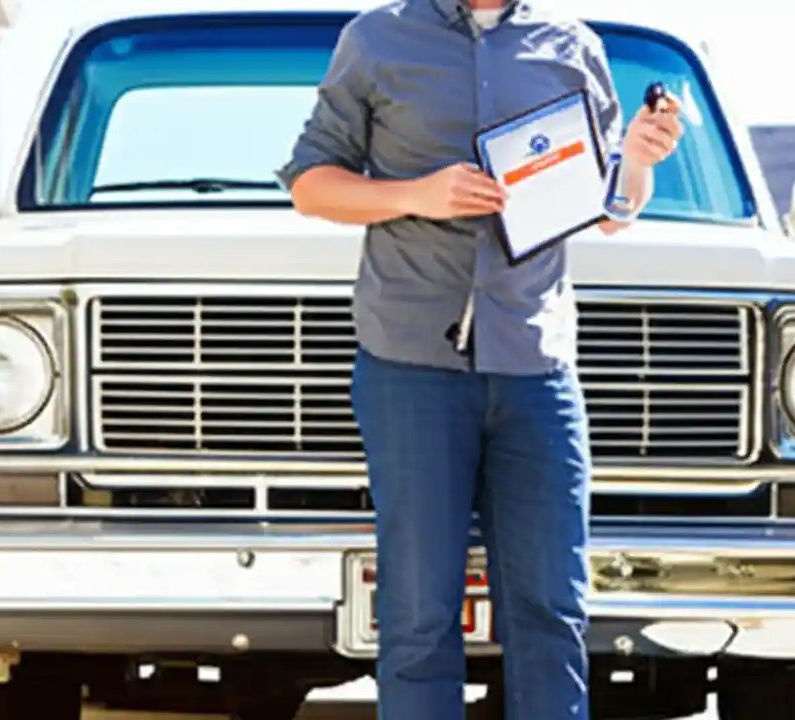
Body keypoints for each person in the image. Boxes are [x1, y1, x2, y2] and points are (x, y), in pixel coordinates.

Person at [277, 1, 681, 718]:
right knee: (418, 611)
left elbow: (613, 209)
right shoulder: (376, 40)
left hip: (537, 365)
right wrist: (417, 196)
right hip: (410, 364)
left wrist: (641, 160)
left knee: (552, 607)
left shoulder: (571, 46)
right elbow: (311, 184)